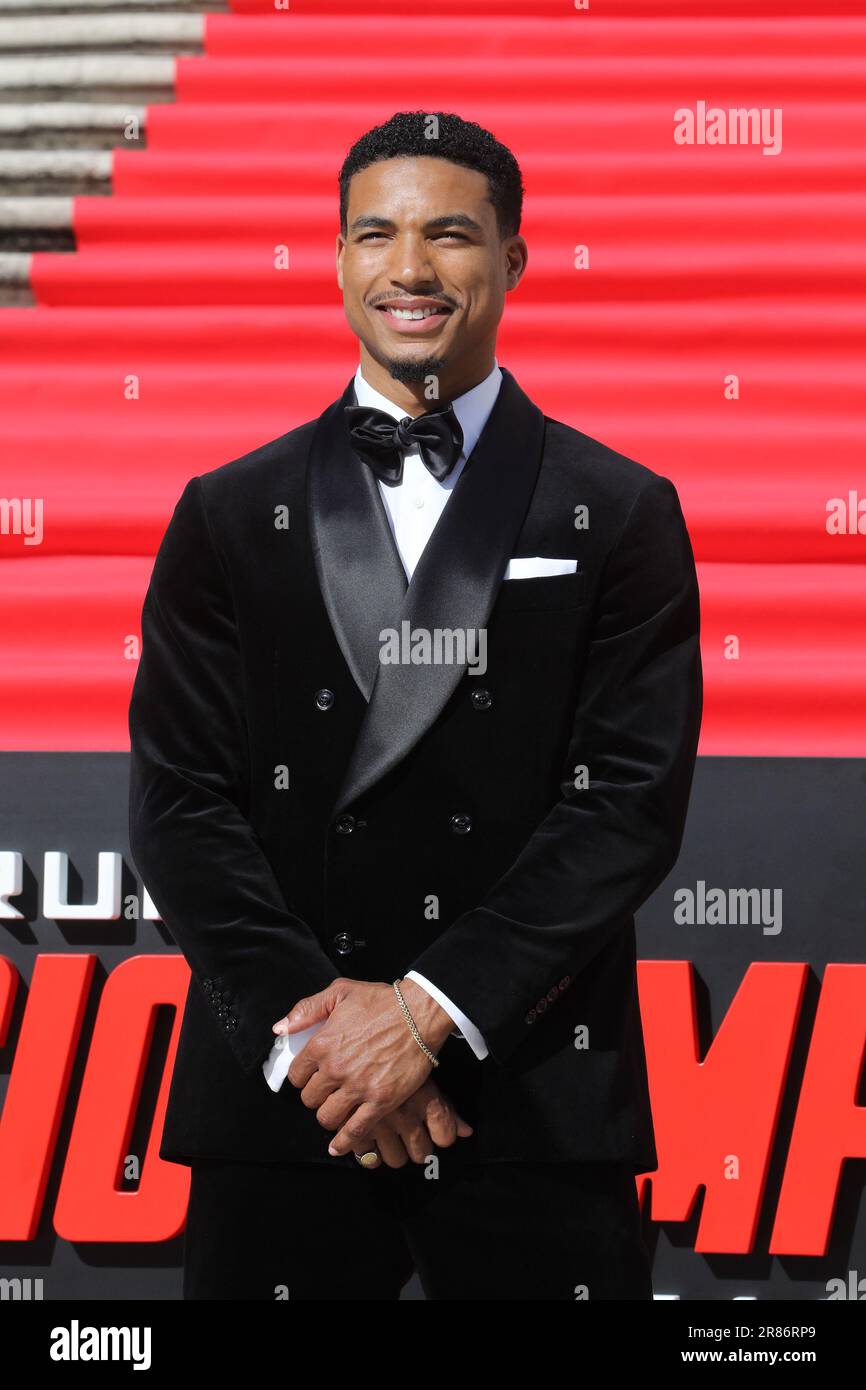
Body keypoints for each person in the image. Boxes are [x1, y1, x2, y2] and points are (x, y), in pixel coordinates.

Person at [128, 110, 703, 1301]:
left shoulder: (620, 508)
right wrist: (326, 1044)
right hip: (288, 1103)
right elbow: (183, 807)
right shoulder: (227, 511)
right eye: (374, 234)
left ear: (511, 259)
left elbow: (625, 808)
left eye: (449, 234)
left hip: (531, 1091)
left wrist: (429, 1016)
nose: (408, 268)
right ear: (337, 258)